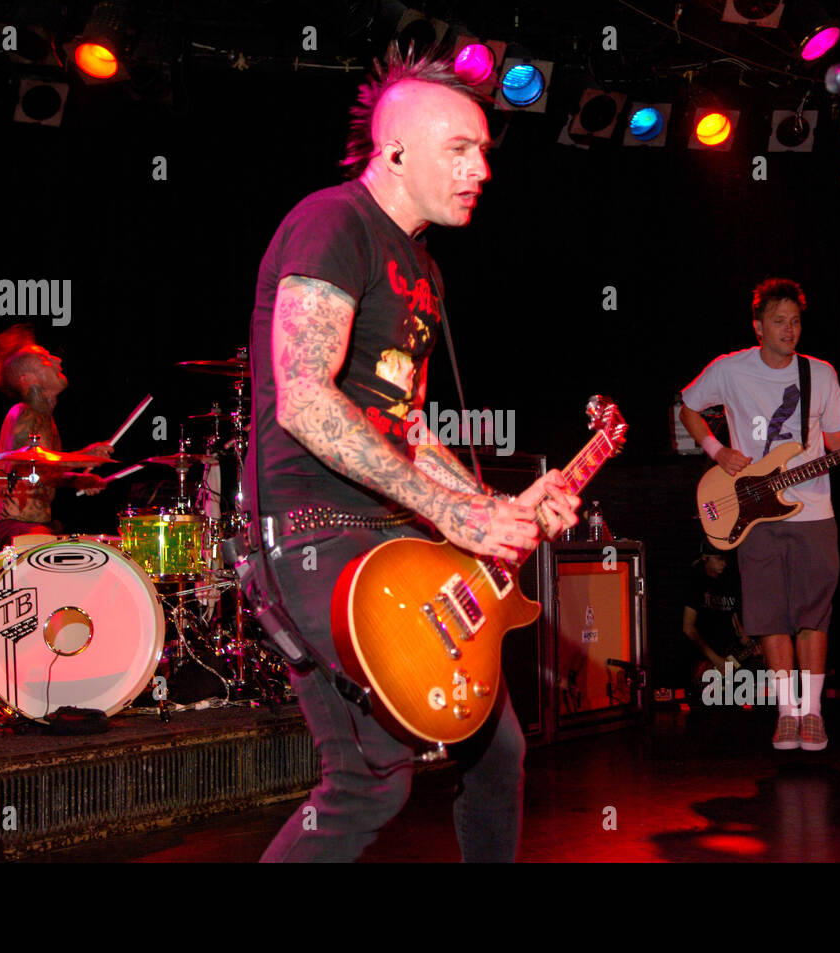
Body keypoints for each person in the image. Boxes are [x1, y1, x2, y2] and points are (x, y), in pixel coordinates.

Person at [246, 47, 579, 862]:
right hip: (315, 531)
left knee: (497, 751)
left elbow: (407, 427)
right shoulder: (333, 222)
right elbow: (303, 395)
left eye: (485, 152)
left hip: (388, 537)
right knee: (369, 779)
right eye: (459, 149)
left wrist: (491, 505)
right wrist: (451, 510)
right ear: (394, 153)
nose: (481, 170)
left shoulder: (423, 266)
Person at [678, 278, 840, 751]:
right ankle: (787, 713)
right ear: (758, 326)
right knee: (769, 616)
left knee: (813, 615)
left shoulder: (821, 374)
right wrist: (717, 449)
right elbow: (686, 406)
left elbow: (838, 439)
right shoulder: (730, 370)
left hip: (813, 510)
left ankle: (813, 714)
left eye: (795, 321)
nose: (789, 330)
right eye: (778, 321)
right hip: (753, 512)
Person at [0, 324, 112, 548]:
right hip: (12, 528)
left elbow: (39, 477)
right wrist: (83, 456)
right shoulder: (23, 413)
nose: (58, 360)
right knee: (49, 547)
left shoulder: (46, 420)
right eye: (45, 360)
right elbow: (32, 466)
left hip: (34, 528)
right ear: (29, 380)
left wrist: (77, 479)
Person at [682, 542, 756, 689]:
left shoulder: (730, 583)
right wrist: (716, 660)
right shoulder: (695, 583)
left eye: (725, 559)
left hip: (729, 655)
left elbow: (737, 625)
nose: (723, 563)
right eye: (718, 559)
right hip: (704, 661)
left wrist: (752, 645)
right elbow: (688, 628)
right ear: (705, 558)